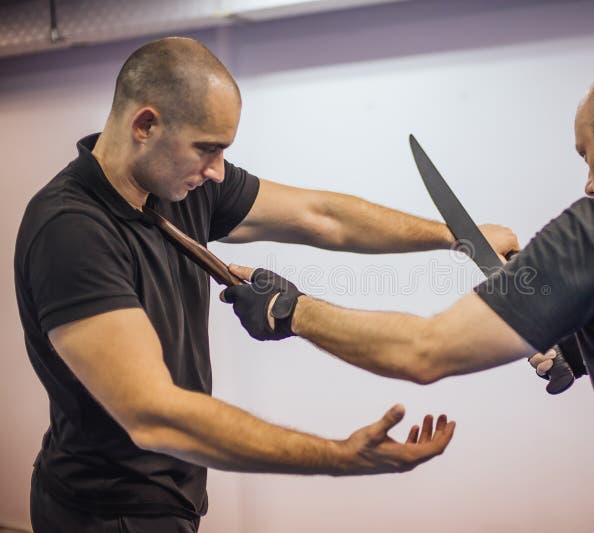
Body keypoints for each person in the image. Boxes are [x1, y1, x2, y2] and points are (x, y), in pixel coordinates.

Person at [223, 63, 594, 532]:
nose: (587, 182)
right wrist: (583, 345)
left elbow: (424, 351)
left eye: (584, 153)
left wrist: (293, 309)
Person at [14, 36, 521, 532]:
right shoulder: (70, 230)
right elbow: (154, 414)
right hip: (103, 513)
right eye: (206, 149)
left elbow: (322, 217)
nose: (216, 172)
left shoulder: (175, 187)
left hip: (169, 500)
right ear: (145, 124)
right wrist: (339, 456)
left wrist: (459, 237)